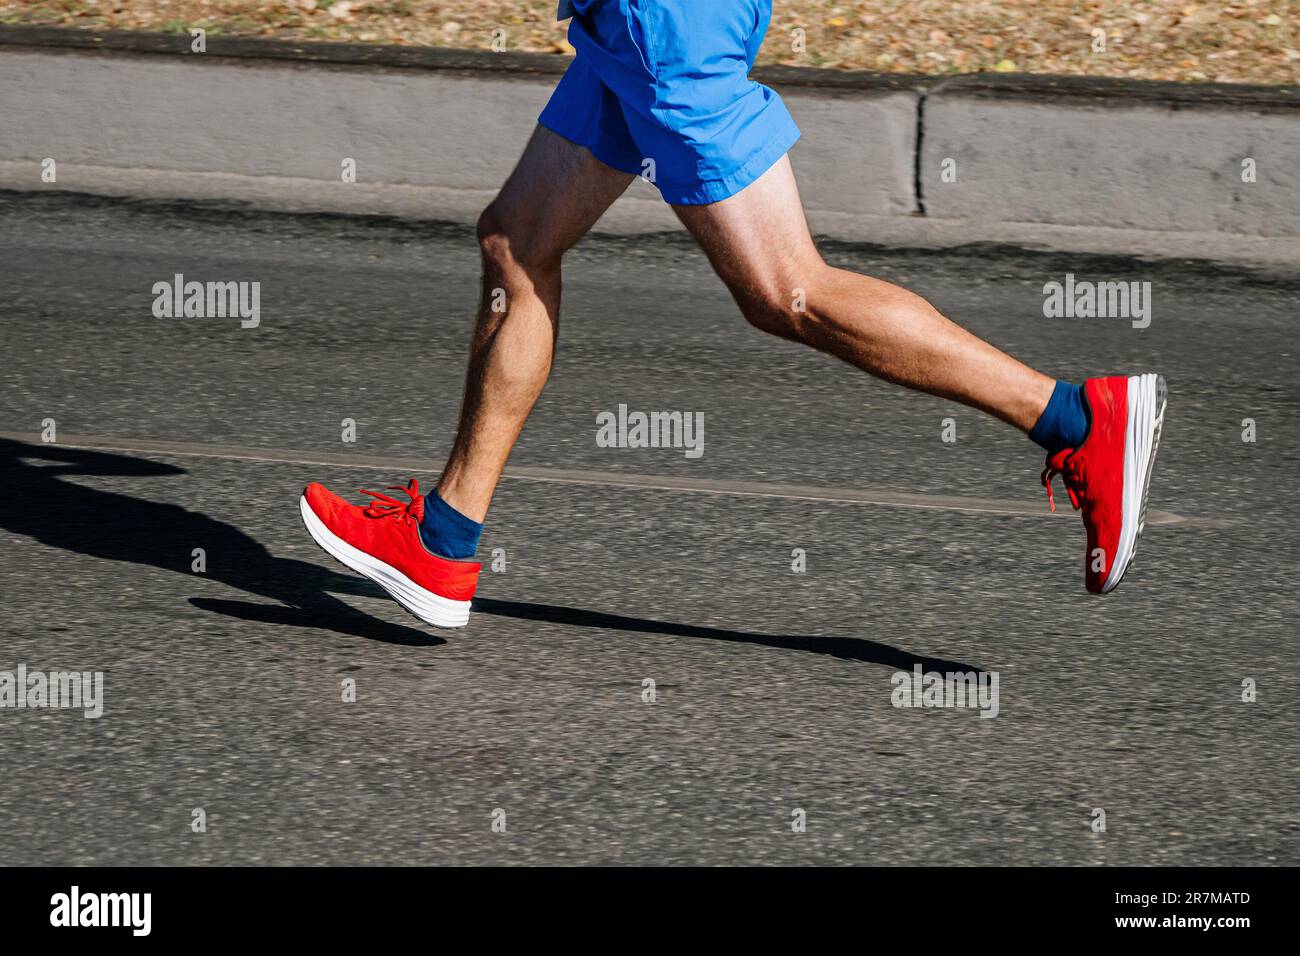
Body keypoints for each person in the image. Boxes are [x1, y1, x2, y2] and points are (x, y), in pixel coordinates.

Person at [299, 0, 1166, 628]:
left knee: (786, 290)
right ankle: (443, 542)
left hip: (664, 22)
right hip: (629, 23)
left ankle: (1074, 419)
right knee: (516, 240)